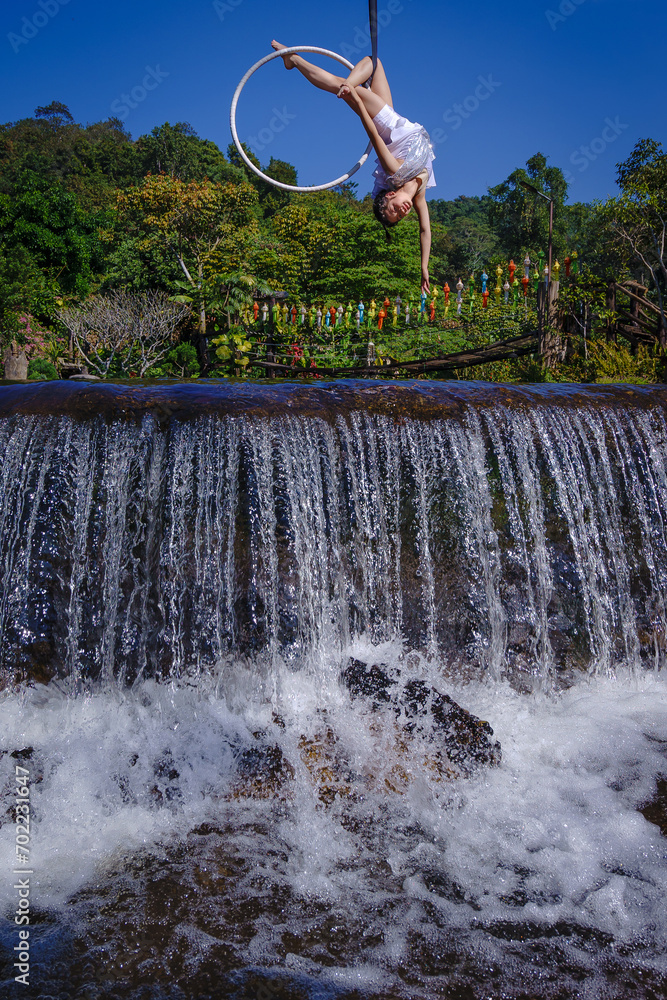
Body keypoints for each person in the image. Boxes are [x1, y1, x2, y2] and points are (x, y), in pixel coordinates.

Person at [271, 42, 435, 293]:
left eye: (394, 210)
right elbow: (425, 229)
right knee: (375, 63)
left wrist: (355, 97)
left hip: (386, 124)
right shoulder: (420, 195)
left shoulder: (396, 171)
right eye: (401, 216)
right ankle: (302, 65)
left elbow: (373, 133)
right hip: (397, 122)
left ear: (390, 194)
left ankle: (294, 60)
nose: (402, 212)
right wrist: (423, 267)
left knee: (343, 85)